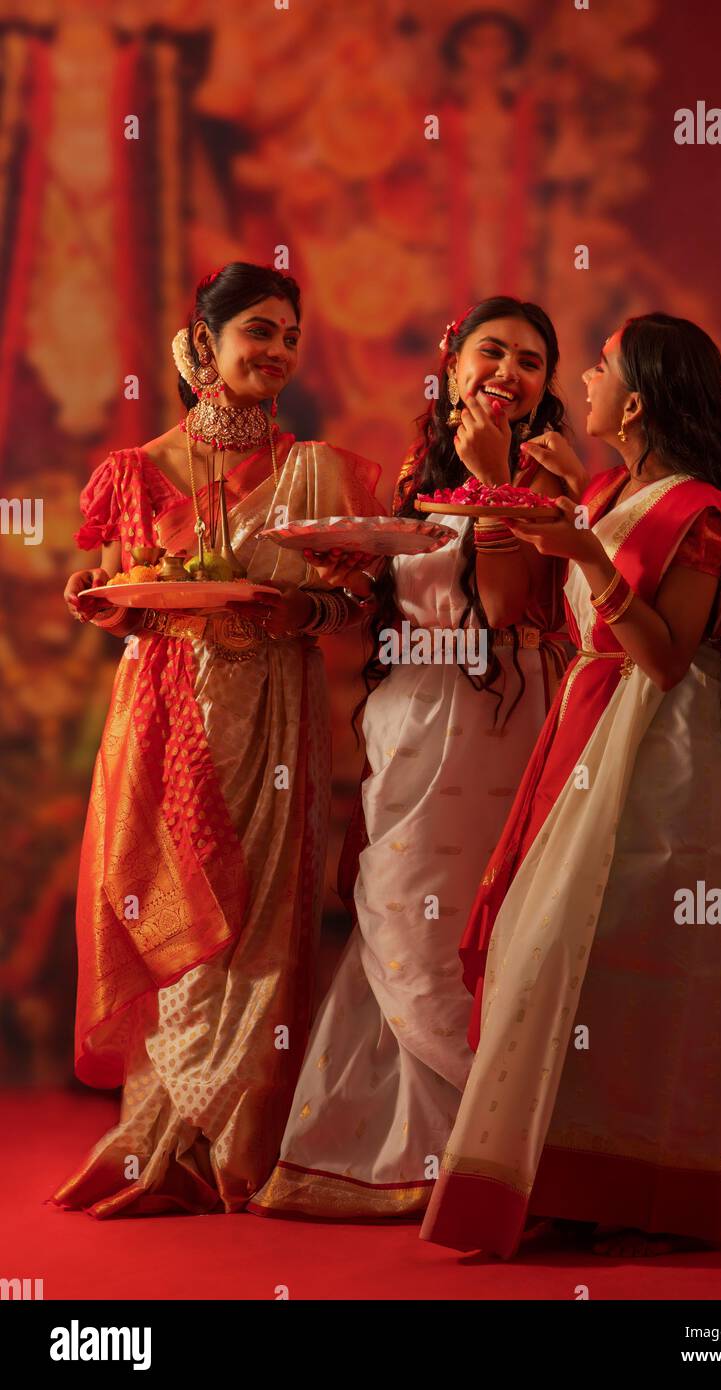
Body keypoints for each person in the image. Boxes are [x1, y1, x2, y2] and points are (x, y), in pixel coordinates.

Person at [419, 312, 721, 1258]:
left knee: (644, 972)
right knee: (562, 956)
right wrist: (549, 500)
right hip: (596, 747)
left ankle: (650, 1185)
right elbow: (557, 575)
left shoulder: (702, 514)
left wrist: (588, 555)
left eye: (600, 368)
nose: (585, 381)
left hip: (669, 769)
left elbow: (663, 656)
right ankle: (558, 1176)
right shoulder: (619, 489)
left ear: (638, 400)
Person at [50, 262, 383, 1217]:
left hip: (277, 704)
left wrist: (305, 605)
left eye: (289, 337)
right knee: (172, 902)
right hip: (165, 712)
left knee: (264, 912)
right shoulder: (134, 470)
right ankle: (160, 1135)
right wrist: (106, 611)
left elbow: (357, 597)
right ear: (204, 344)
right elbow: (131, 592)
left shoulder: (313, 470)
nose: (276, 352)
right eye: (258, 333)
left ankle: (221, 1146)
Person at [249, 297, 575, 1219]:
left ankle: (501, 1139)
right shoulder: (413, 472)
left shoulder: (550, 477)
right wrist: (335, 586)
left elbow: (510, 609)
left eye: (531, 361)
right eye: (492, 352)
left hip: (498, 720)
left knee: (464, 925)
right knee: (392, 912)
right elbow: (396, 600)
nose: (509, 372)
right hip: (409, 714)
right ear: (453, 361)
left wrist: (496, 477)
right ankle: (399, 1152)